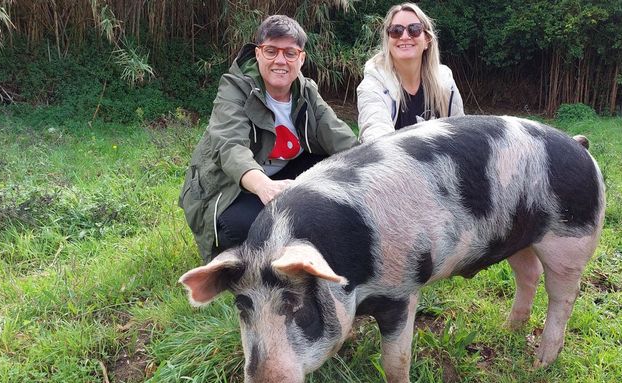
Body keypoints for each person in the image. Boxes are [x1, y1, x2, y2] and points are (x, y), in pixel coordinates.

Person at [179, 15, 359, 263]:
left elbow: (338, 136)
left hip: (281, 173)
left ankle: (311, 241)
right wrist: (264, 186)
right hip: (232, 186)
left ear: (301, 59)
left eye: (290, 53)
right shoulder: (234, 88)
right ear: (258, 54)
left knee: (338, 169)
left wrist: (376, 170)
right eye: (271, 51)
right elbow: (230, 147)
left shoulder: (306, 91)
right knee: (242, 229)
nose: (280, 61)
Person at [357, 3, 464, 143]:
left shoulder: (445, 82)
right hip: (392, 163)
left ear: (427, 40)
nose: (405, 36)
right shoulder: (372, 86)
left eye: (414, 29)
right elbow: (377, 138)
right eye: (396, 31)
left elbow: (460, 136)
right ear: (388, 41)